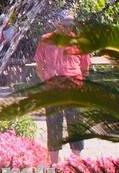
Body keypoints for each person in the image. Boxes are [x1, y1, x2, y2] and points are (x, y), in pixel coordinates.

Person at [34, 13, 92, 163]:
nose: (67, 28)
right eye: (64, 24)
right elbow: (39, 66)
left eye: (70, 25)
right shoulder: (46, 40)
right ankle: (54, 164)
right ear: (57, 24)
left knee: (75, 125)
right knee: (53, 124)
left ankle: (76, 162)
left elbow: (85, 67)